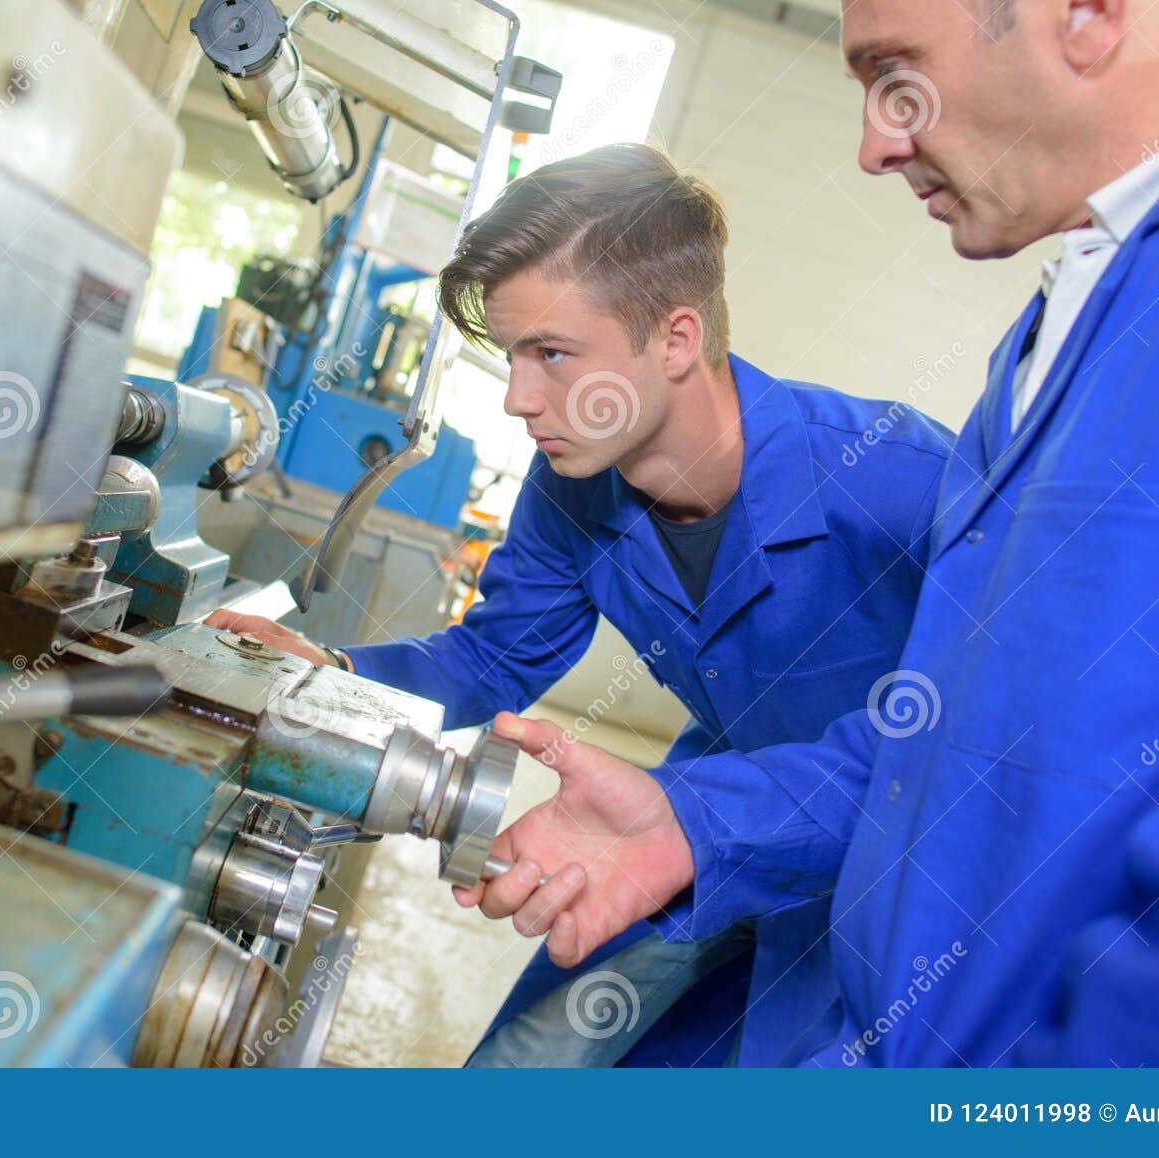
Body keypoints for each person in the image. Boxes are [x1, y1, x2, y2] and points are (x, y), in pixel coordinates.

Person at [459, 0, 1159, 1066]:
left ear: (1089, 13)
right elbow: (941, 744)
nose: (875, 144)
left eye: (897, 76)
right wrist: (697, 822)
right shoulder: (1056, 328)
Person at [207, 143, 955, 1066]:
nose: (522, 399)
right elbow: (492, 661)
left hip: (897, 854)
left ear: (676, 339)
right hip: (695, 803)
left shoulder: (909, 488)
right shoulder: (572, 485)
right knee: (532, 1062)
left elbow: (998, 740)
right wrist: (335, 681)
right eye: (514, 356)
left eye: (553, 354)